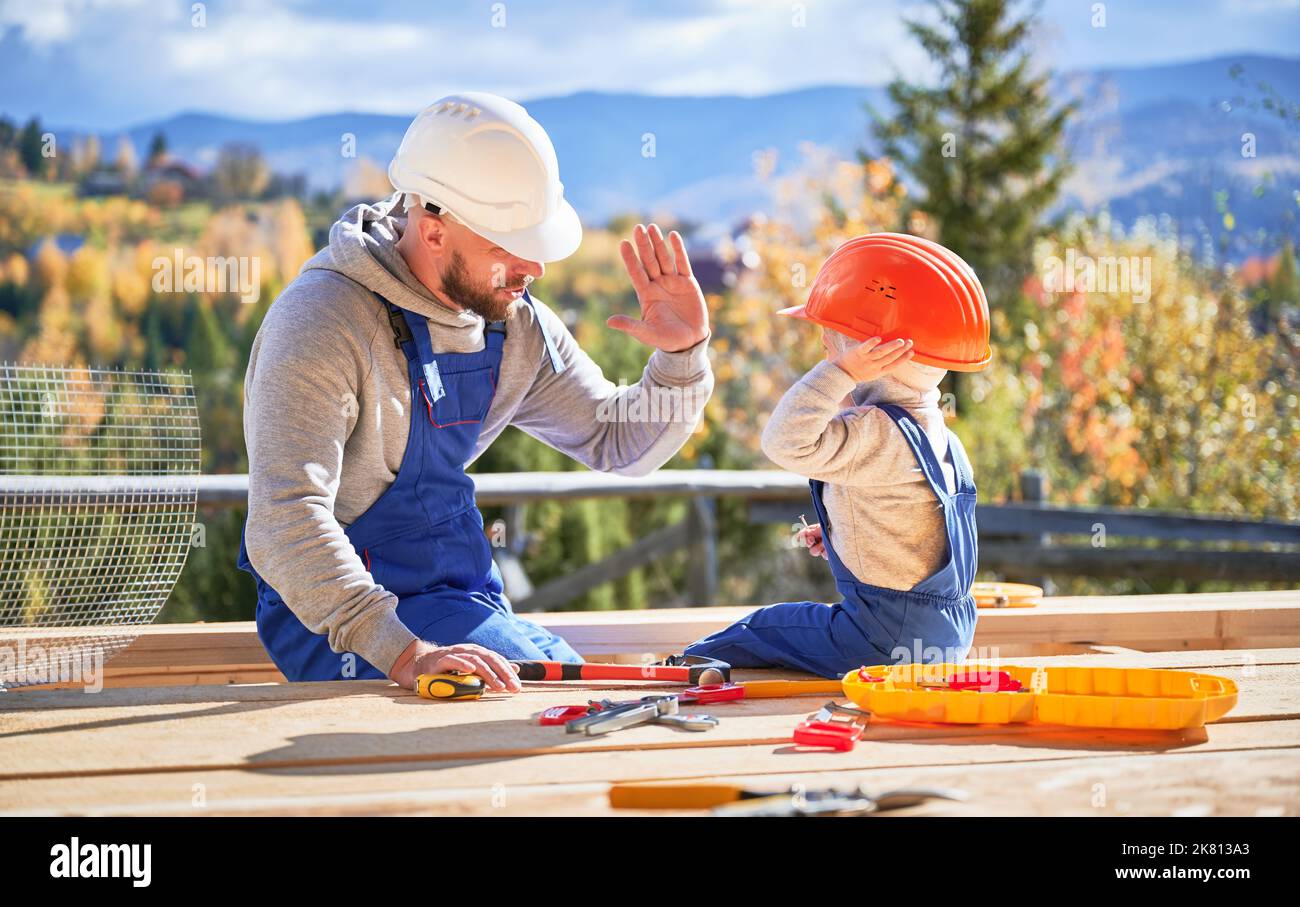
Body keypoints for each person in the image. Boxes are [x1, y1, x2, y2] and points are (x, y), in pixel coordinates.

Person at [238, 92, 712, 691]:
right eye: (507, 249)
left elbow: (620, 441)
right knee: (551, 699)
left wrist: (680, 358)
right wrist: (405, 653)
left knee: (580, 689)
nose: (533, 269)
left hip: (462, 603)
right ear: (434, 231)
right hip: (339, 623)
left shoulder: (512, 323)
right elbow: (282, 521)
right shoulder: (322, 322)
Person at [684, 233, 991, 677]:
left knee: (761, 629)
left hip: (881, 640)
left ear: (872, 354)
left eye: (831, 343)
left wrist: (839, 373)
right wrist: (846, 532)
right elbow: (911, 528)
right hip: (946, 638)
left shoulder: (874, 433)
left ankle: (676, 672)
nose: (824, 352)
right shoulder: (940, 437)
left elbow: (784, 441)